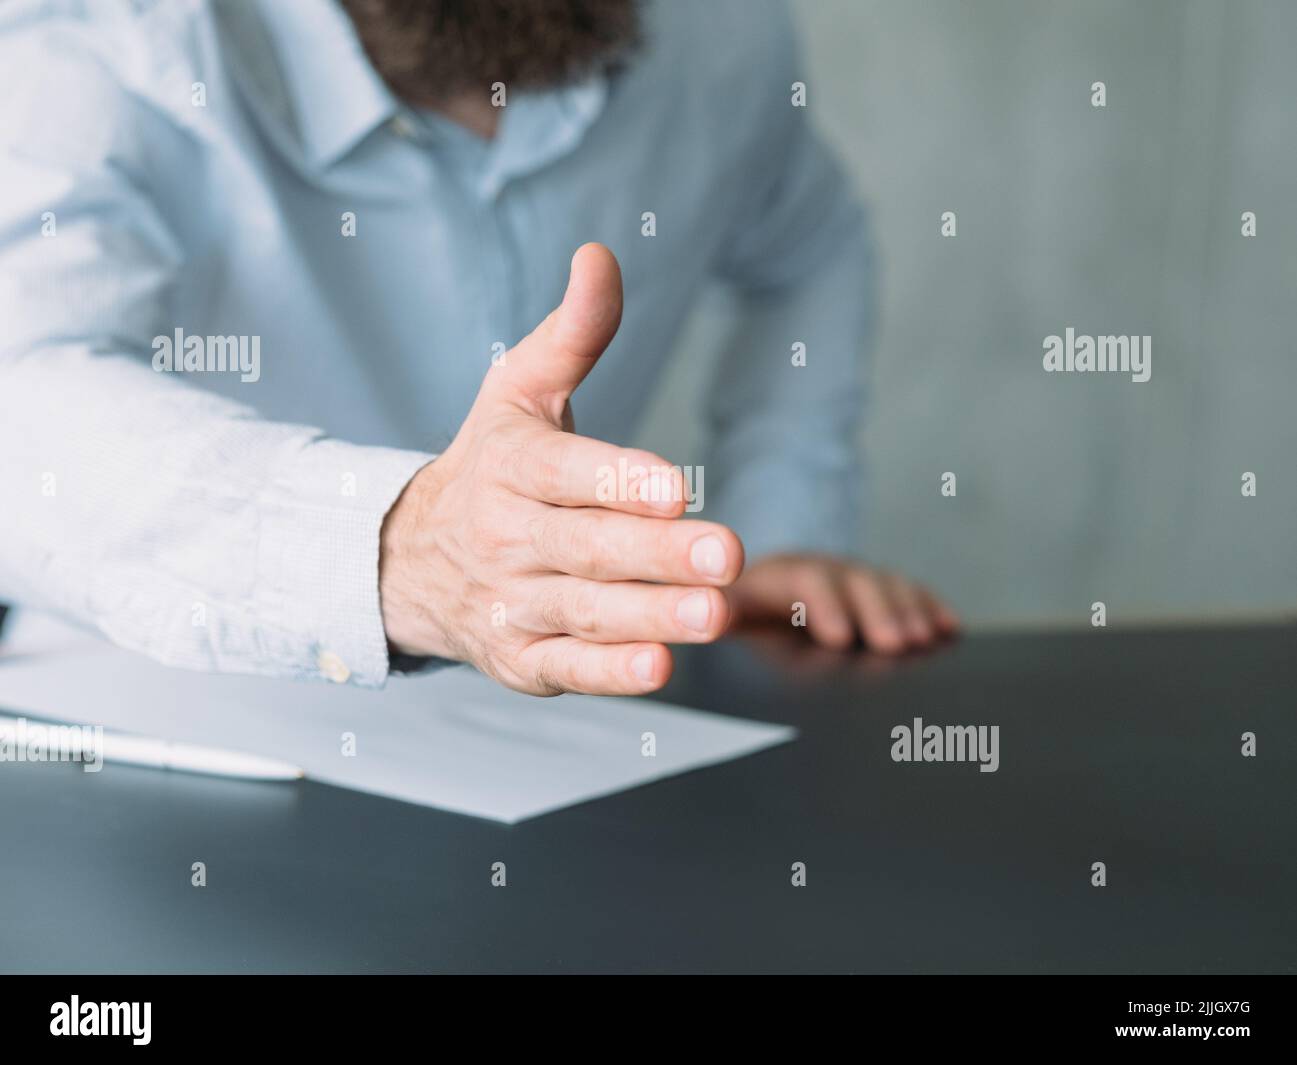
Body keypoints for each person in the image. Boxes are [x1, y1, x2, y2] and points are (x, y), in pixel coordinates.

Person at [0, 0, 957, 697]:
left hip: (571, 751)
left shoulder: (719, 37)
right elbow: (22, 404)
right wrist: (399, 548)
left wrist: (777, 524)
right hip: (148, 749)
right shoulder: (90, 43)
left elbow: (806, 250)